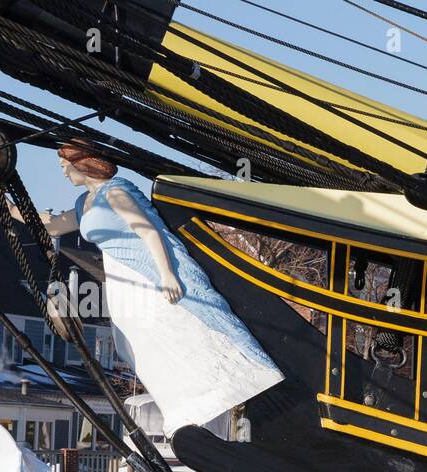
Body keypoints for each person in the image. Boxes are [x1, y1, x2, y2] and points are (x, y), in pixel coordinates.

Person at [15, 141, 284, 436]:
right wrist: (12, 209)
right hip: (124, 280)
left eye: (65, 164)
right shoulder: (85, 202)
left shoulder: (115, 191)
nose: (64, 172)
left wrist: (167, 273)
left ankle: (220, 396)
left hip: (150, 272)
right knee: (134, 344)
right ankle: (186, 411)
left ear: (83, 162)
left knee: (175, 332)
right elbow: (53, 226)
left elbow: (147, 229)